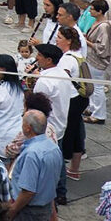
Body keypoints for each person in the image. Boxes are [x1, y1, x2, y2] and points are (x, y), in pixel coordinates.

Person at [8, 110, 61, 221]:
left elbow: (28, 191)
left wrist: (13, 210)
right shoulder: (54, 148)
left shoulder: (32, 154)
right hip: (45, 207)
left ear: (28, 128)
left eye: (23, 123)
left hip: (28, 211)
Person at [54, 27, 87, 183]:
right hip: (80, 99)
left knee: (68, 135)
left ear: (68, 41)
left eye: (59, 37)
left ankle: (62, 172)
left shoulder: (67, 59)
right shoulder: (77, 54)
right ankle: (74, 169)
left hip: (72, 100)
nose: (56, 39)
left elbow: (61, 79)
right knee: (77, 132)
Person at [86, 0, 111, 124]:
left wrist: (88, 42)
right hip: (91, 58)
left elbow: (103, 47)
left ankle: (99, 114)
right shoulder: (97, 23)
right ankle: (92, 108)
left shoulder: (104, 26)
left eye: (92, 9)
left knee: (97, 87)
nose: (90, 11)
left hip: (97, 60)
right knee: (92, 85)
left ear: (100, 11)